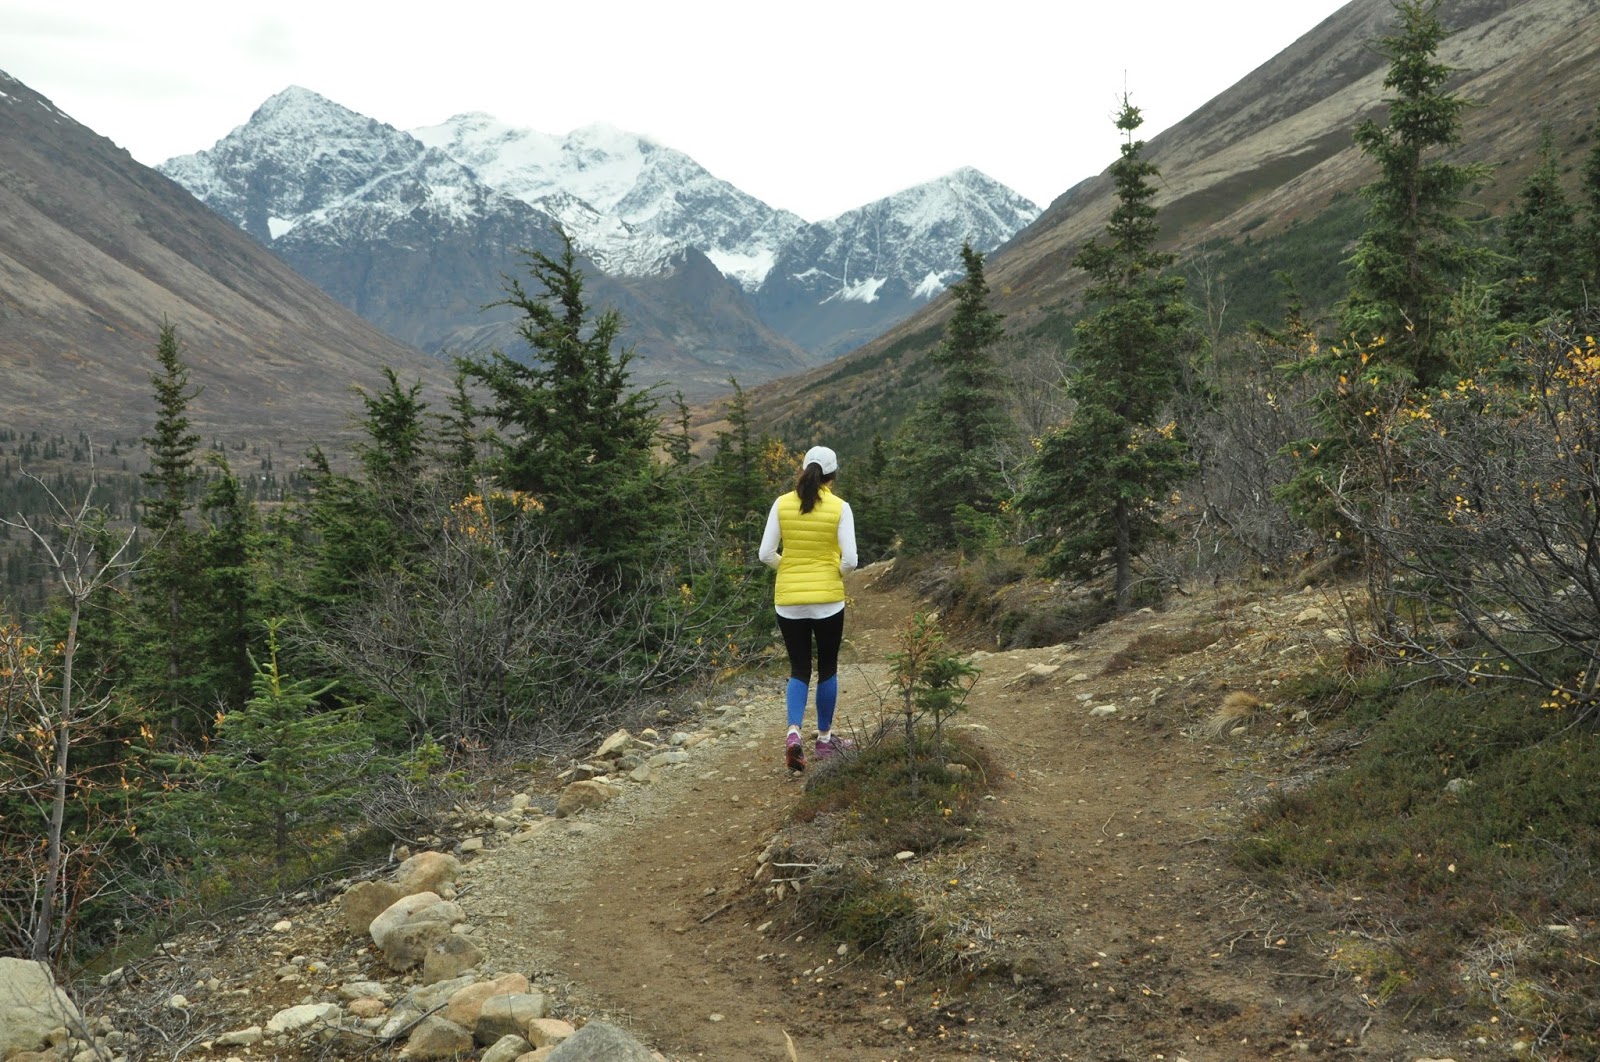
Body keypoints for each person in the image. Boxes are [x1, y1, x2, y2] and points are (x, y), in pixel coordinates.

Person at [759, 444, 858, 772]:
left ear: (804, 470)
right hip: (828, 600)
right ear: (832, 476)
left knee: (799, 668)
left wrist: (787, 567)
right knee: (828, 666)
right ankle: (826, 741)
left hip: (789, 601)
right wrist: (834, 573)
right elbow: (851, 560)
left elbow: (765, 554)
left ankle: (792, 734)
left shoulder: (782, 504)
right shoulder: (840, 507)